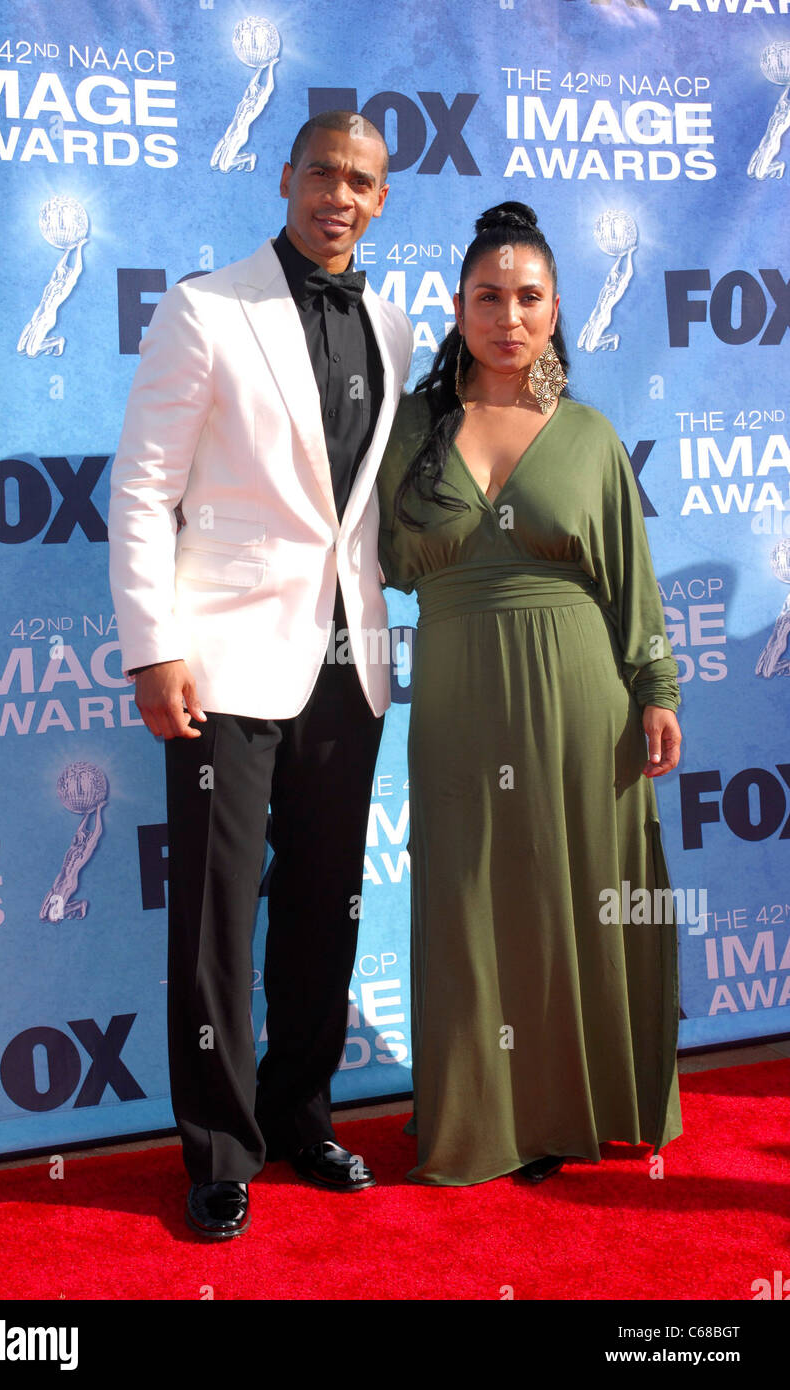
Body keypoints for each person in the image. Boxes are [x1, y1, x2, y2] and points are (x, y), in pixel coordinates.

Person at [108, 111, 413, 1237]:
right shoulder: (205, 307)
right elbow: (142, 488)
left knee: (325, 908)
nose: (341, 193)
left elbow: (363, 513)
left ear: (382, 200)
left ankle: (300, 1112)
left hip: (348, 663)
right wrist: (154, 645)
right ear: (285, 179)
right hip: (223, 661)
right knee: (214, 917)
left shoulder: (388, 317)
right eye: (324, 172)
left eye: (364, 180)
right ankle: (218, 1146)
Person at [375, 201, 683, 1186]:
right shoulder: (412, 427)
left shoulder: (589, 434)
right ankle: (478, 1123)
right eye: (486, 296)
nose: (507, 315)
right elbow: (382, 552)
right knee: (467, 896)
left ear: (554, 312)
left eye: (528, 297)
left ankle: (569, 1113)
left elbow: (629, 580)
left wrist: (656, 687)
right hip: (462, 689)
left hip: (580, 691)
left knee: (580, 896)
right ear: (457, 307)